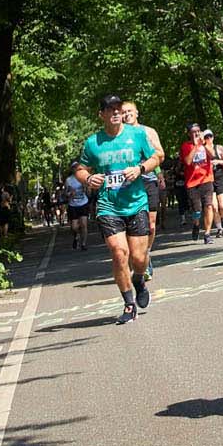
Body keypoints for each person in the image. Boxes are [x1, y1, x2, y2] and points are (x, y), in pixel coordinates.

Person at [76, 95, 163, 321]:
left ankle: (139, 279)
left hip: (136, 203)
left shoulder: (137, 135)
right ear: (101, 115)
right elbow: (80, 168)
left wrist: (140, 169)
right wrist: (88, 179)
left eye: (118, 108)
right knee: (118, 252)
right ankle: (128, 303)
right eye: (110, 109)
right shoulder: (93, 142)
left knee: (139, 258)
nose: (115, 112)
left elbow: (156, 157)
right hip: (108, 206)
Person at [179, 127, 220, 243]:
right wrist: (196, 146)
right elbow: (188, 161)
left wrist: (204, 144)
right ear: (189, 134)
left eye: (198, 131)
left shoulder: (206, 143)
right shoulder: (186, 146)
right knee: (197, 210)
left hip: (206, 179)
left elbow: (212, 155)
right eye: (193, 132)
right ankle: (196, 224)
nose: (196, 134)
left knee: (209, 205)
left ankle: (207, 233)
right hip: (192, 182)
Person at [62, 165, 93, 249]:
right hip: (73, 205)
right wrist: (70, 194)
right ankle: (76, 236)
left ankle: (83, 244)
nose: (76, 169)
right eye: (74, 167)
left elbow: (89, 192)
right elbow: (65, 193)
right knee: (74, 227)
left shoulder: (84, 177)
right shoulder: (69, 180)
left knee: (84, 224)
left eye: (78, 167)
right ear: (72, 169)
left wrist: (86, 188)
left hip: (83, 203)